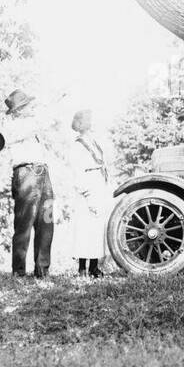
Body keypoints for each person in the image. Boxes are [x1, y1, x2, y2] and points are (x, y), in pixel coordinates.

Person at [4, 88, 56, 278]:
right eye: (26, 105)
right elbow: (37, 125)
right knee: (24, 224)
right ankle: (19, 271)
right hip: (26, 173)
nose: (30, 108)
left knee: (47, 221)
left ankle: (42, 269)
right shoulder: (13, 127)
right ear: (17, 110)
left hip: (43, 173)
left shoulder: (32, 126)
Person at [69, 109, 113, 277]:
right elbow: (77, 171)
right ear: (80, 124)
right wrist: (87, 193)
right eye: (87, 120)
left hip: (98, 183)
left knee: (96, 227)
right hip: (87, 184)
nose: (91, 122)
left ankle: (94, 266)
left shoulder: (94, 142)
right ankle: (82, 268)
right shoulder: (77, 145)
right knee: (84, 227)